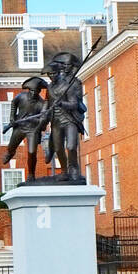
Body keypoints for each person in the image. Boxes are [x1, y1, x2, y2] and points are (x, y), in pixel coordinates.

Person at [43, 52, 87, 183]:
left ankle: (73, 169)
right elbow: (47, 102)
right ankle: (64, 171)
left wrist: (62, 103)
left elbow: (74, 104)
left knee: (71, 146)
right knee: (58, 148)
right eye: (49, 75)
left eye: (53, 74)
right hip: (56, 121)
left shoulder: (69, 85)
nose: (51, 77)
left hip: (69, 119)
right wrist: (44, 113)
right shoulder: (50, 87)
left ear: (59, 72)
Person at [1, 76, 49, 182]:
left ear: (39, 91)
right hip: (20, 127)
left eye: (36, 91)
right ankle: (10, 153)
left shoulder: (41, 103)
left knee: (32, 152)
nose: (33, 93)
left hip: (33, 130)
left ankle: (31, 174)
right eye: (32, 90)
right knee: (11, 146)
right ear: (28, 90)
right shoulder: (21, 97)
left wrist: (39, 120)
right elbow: (13, 104)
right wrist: (12, 117)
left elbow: (43, 120)